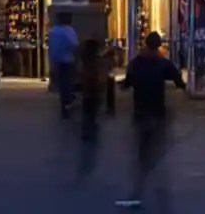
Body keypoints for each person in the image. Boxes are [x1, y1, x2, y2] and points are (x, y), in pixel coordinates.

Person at [118, 31, 186, 207]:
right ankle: (154, 184)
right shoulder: (162, 63)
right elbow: (178, 80)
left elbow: (126, 84)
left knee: (143, 149)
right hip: (157, 111)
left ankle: (141, 183)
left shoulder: (135, 63)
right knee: (156, 149)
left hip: (141, 111)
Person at [77, 39, 107, 179]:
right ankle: (91, 128)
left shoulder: (85, 61)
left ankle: (87, 128)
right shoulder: (97, 62)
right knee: (92, 108)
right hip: (94, 91)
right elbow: (101, 77)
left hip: (88, 92)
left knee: (87, 108)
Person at [49, 12, 80, 118]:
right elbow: (74, 44)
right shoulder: (69, 31)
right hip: (68, 60)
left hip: (57, 60)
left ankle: (64, 104)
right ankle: (67, 103)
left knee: (62, 84)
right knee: (68, 83)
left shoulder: (53, 31)